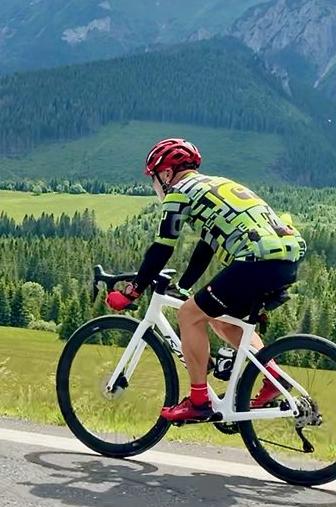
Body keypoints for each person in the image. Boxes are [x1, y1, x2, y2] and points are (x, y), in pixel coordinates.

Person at [104, 138, 306, 422]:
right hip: (285, 260)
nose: (155, 187)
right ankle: (272, 375)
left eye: (154, 178)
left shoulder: (179, 192)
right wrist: (185, 286)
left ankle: (198, 401)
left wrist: (132, 291)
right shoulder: (215, 185)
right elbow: (206, 247)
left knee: (188, 316)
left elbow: (162, 247)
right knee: (220, 319)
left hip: (255, 261)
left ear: (165, 173)